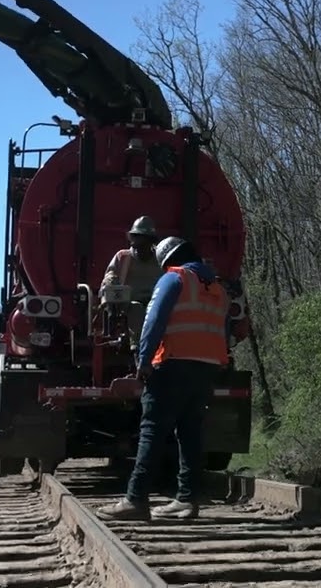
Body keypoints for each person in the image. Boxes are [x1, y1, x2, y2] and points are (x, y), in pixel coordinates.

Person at [97, 236, 230, 521]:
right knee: (191, 434)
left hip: (171, 365)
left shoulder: (174, 279)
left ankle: (135, 500)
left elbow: (153, 320)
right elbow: (224, 329)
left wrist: (143, 361)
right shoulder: (217, 288)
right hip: (206, 369)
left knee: (152, 431)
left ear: (169, 259)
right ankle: (187, 500)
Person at [100, 217, 164, 340]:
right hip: (128, 304)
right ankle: (138, 348)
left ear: (151, 242)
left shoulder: (160, 260)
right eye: (136, 239)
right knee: (136, 309)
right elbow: (109, 279)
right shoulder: (123, 257)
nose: (138, 245)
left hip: (155, 303)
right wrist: (111, 301)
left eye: (143, 241)